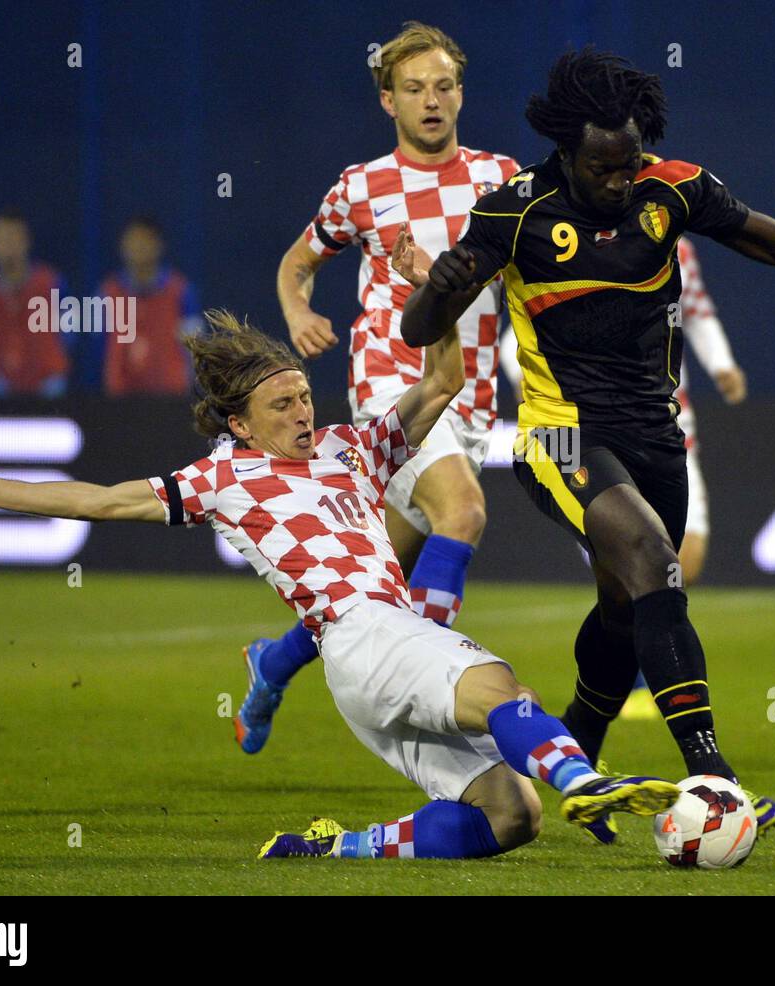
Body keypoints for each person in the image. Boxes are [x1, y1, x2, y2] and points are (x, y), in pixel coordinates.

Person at [402, 48, 775, 839]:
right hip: (560, 435)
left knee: (623, 608)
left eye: (628, 163)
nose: (619, 181)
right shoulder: (513, 214)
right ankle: (715, 776)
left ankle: (579, 762)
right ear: (566, 154)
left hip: (653, 436)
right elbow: (416, 330)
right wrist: (439, 285)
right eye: (603, 169)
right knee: (652, 561)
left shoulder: (672, 188)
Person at [0, 300, 681, 862]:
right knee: (497, 684)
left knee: (509, 817)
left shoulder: (352, 447)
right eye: (282, 405)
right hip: (364, 631)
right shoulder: (223, 476)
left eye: (305, 395)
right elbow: (101, 500)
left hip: (363, 671)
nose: (303, 413)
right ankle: (583, 779)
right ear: (240, 423)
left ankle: (335, 847)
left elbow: (443, 379)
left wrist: (436, 299)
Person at [240, 22, 521, 755]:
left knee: (372, 579)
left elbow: (529, 279)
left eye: (444, 86)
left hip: (473, 394)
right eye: (414, 89)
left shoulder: (503, 179)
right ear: (387, 101)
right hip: (395, 385)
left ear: (461, 93)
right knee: (462, 511)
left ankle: (273, 663)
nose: (432, 101)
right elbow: (297, 263)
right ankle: (430, 681)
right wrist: (298, 310)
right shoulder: (360, 188)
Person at [500, 236, 748, 721]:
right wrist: (532, 386)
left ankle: (587, 723)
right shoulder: (564, 242)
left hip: (667, 429)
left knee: (681, 561)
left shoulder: (677, 244)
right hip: (586, 435)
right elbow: (518, 338)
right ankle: (636, 692)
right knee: (638, 568)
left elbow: (693, 310)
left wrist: (722, 365)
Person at [0, 209, 72, 398]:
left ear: (27, 241)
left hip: (47, 383)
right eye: (2, 239)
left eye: (14, 238)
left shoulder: (52, 283)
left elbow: (69, 334)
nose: (8, 246)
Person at [100, 216, 203, 396]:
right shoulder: (108, 292)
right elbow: (99, 347)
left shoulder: (181, 292)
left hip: (170, 396)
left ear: (158, 245)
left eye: (146, 240)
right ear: (123, 245)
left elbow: (195, 347)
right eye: (134, 240)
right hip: (120, 398)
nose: (139, 247)